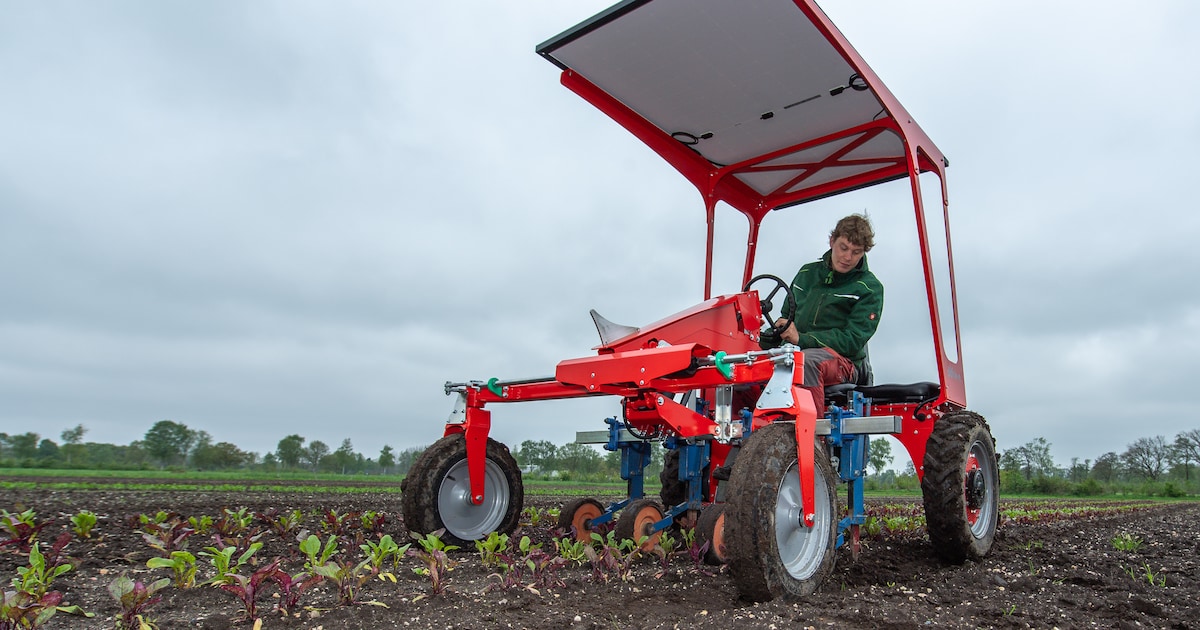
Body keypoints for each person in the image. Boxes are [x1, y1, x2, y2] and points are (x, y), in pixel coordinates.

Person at [765, 213, 883, 412]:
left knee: (805, 363)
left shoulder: (869, 288)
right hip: (794, 352)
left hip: (842, 362)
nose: (847, 257)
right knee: (742, 365)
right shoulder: (806, 274)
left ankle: (811, 430)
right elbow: (786, 318)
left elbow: (852, 340)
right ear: (831, 241)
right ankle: (745, 426)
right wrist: (760, 338)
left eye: (856, 252)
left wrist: (802, 339)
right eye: (843, 248)